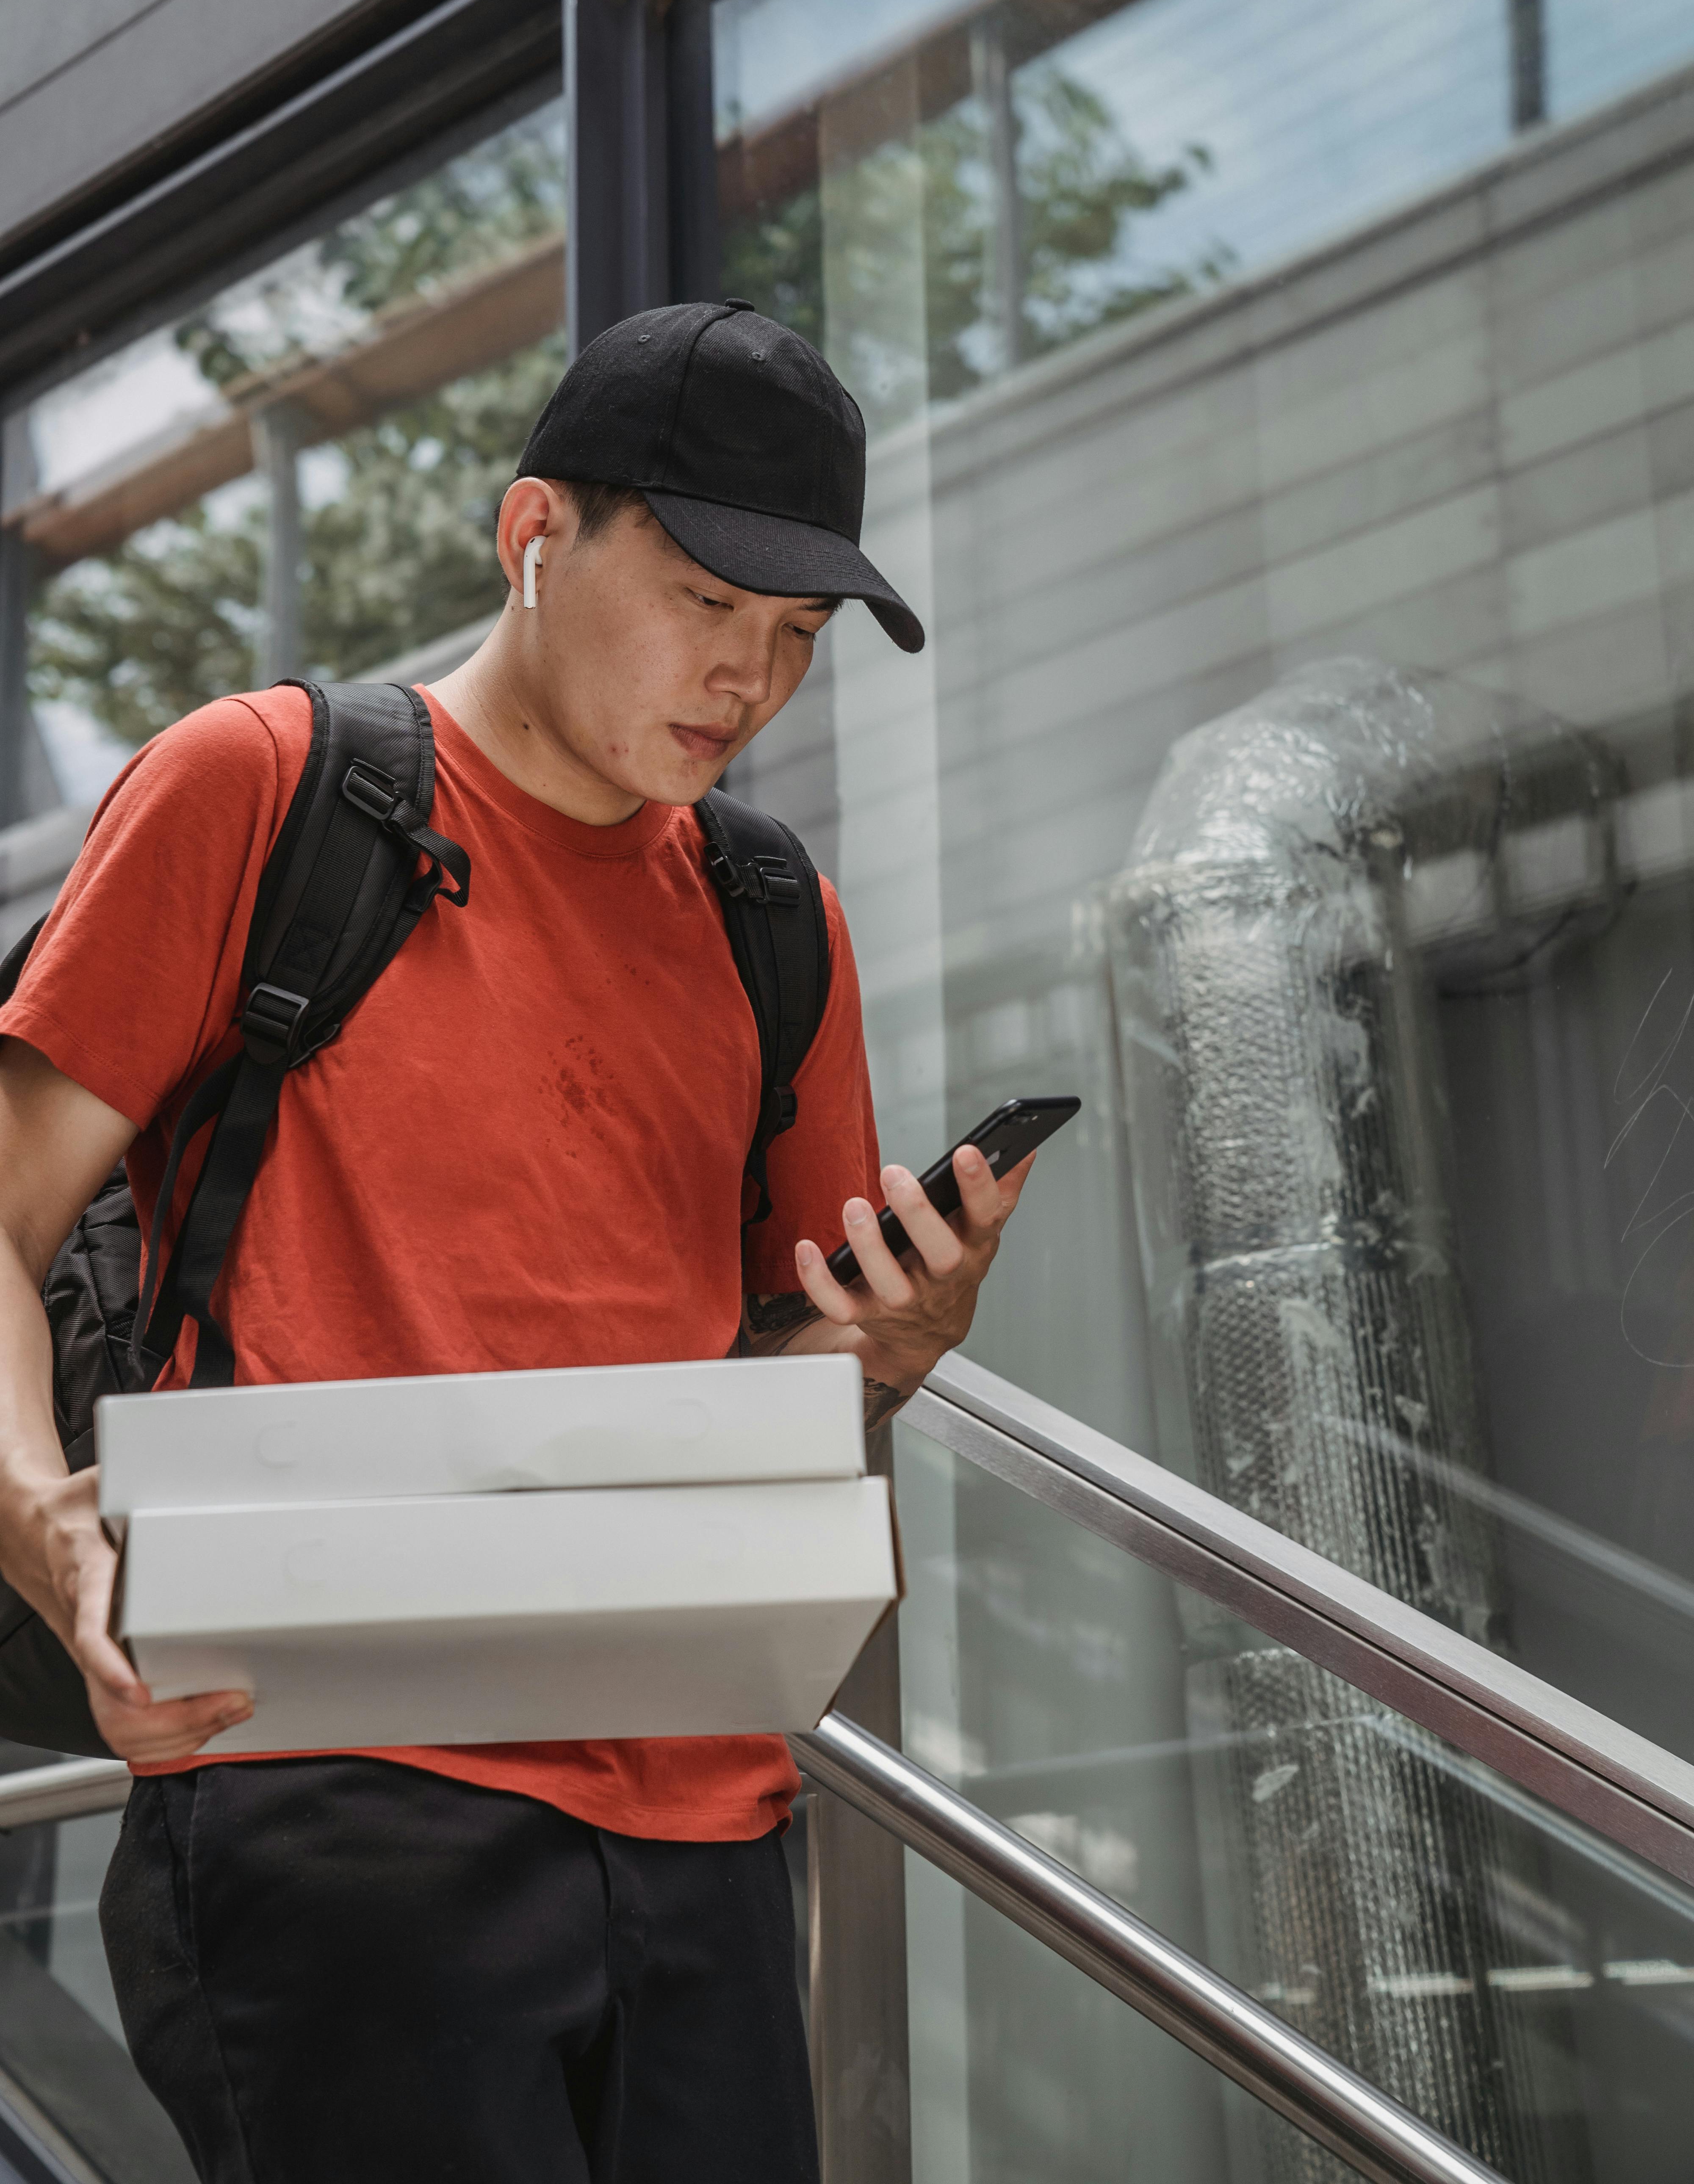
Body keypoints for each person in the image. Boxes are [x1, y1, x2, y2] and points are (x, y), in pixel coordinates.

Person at [0, 300, 1038, 2184]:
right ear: (532, 535)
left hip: (700, 1813)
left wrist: (888, 1345)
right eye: (709, 602)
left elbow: (764, 1397)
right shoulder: (265, 786)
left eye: (795, 640)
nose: (748, 679)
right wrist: (41, 1512)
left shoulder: (765, 914)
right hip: (320, 1775)